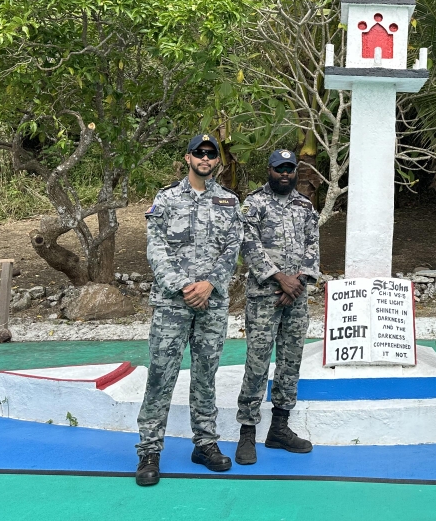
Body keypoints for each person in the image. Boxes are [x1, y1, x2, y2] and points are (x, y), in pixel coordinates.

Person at [135, 133, 244, 486]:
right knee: (161, 375)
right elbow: (156, 249)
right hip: (172, 304)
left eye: (211, 155)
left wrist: (209, 283)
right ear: (188, 158)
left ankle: (205, 443)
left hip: (212, 304)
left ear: (216, 161)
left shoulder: (229, 202)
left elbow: (232, 248)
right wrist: (185, 286)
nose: (206, 159)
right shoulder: (165, 199)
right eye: (200, 153)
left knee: (205, 375)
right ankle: (149, 451)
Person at [234, 149, 320, 465]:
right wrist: (278, 279)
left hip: (296, 298)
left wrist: (297, 283)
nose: (284, 173)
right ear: (269, 170)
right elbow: (249, 245)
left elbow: (314, 247)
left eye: (289, 168)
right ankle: (247, 433)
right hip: (263, 297)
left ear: (295, 171)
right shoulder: (253, 203)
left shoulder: (305, 206)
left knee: (290, 361)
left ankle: (279, 428)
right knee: (257, 362)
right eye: (279, 168)